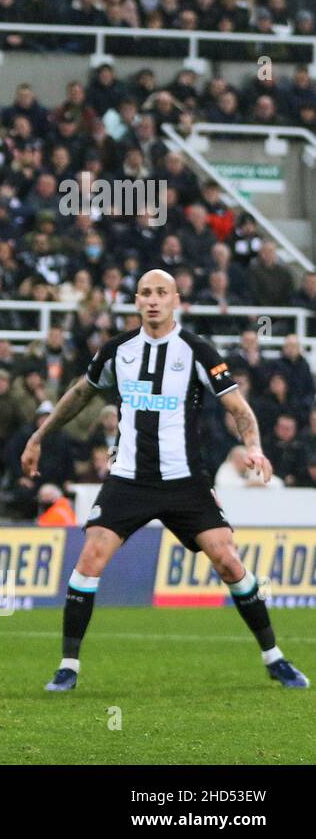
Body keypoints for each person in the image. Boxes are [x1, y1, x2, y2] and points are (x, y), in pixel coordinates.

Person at [22, 269, 309, 691]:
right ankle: (68, 667)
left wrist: (255, 446)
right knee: (90, 559)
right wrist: (38, 436)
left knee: (228, 560)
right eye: (145, 293)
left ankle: (274, 657)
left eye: (161, 293)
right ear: (135, 301)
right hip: (128, 479)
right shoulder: (118, 350)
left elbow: (239, 408)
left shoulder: (196, 350)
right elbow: (80, 393)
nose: (153, 300)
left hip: (184, 480)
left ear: (176, 300)